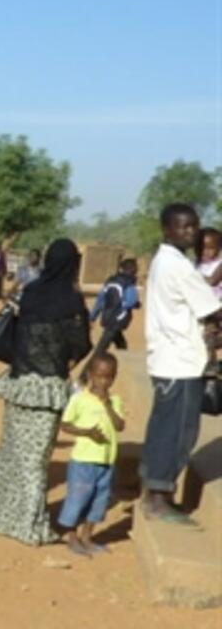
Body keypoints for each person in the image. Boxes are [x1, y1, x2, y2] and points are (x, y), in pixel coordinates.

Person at [0, 239, 92, 546]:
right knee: (36, 460)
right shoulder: (71, 301)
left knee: (12, 452)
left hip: (20, 384)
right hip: (47, 389)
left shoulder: (30, 292)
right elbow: (81, 344)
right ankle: (29, 524)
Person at [141, 204, 222, 525]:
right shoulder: (178, 267)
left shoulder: (165, 262)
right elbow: (212, 310)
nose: (190, 233)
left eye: (193, 227)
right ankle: (160, 498)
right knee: (177, 433)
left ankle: (154, 492)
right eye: (183, 227)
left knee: (163, 427)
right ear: (167, 229)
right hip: (180, 362)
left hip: (168, 359)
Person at [57, 352, 125, 557]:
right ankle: (71, 536)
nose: (104, 381)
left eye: (109, 377)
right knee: (78, 498)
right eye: (100, 376)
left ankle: (87, 537)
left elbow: (120, 425)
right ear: (90, 374)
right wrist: (86, 432)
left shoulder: (115, 400)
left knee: (99, 501)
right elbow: (65, 424)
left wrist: (108, 406)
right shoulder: (80, 399)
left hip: (106, 461)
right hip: (83, 461)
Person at [90, 258, 141, 356]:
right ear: (134, 270)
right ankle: (96, 360)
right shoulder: (129, 282)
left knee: (114, 334)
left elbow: (101, 300)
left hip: (107, 314)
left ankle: (122, 350)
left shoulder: (110, 281)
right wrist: (136, 304)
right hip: (120, 316)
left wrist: (93, 316)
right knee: (103, 344)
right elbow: (131, 301)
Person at [197, 227, 222, 299]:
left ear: (219, 248)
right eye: (200, 248)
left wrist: (193, 278)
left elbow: (212, 281)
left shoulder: (219, 264)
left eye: (210, 248)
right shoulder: (198, 263)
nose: (204, 251)